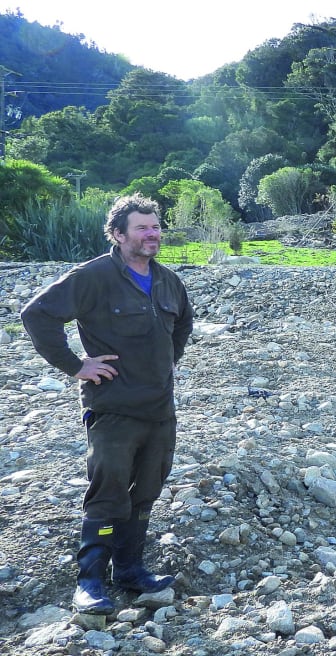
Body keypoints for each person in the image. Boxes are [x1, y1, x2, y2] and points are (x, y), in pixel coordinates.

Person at [21, 193, 194, 615]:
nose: (152, 234)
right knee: (108, 493)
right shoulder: (94, 277)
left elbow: (182, 326)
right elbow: (36, 315)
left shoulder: (169, 280)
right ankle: (90, 582)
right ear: (117, 235)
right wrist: (76, 365)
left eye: (156, 227)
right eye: (142, 227)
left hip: (159, 409)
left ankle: (131, 571)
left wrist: (163, 365)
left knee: (146, 491)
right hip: (113, 409)